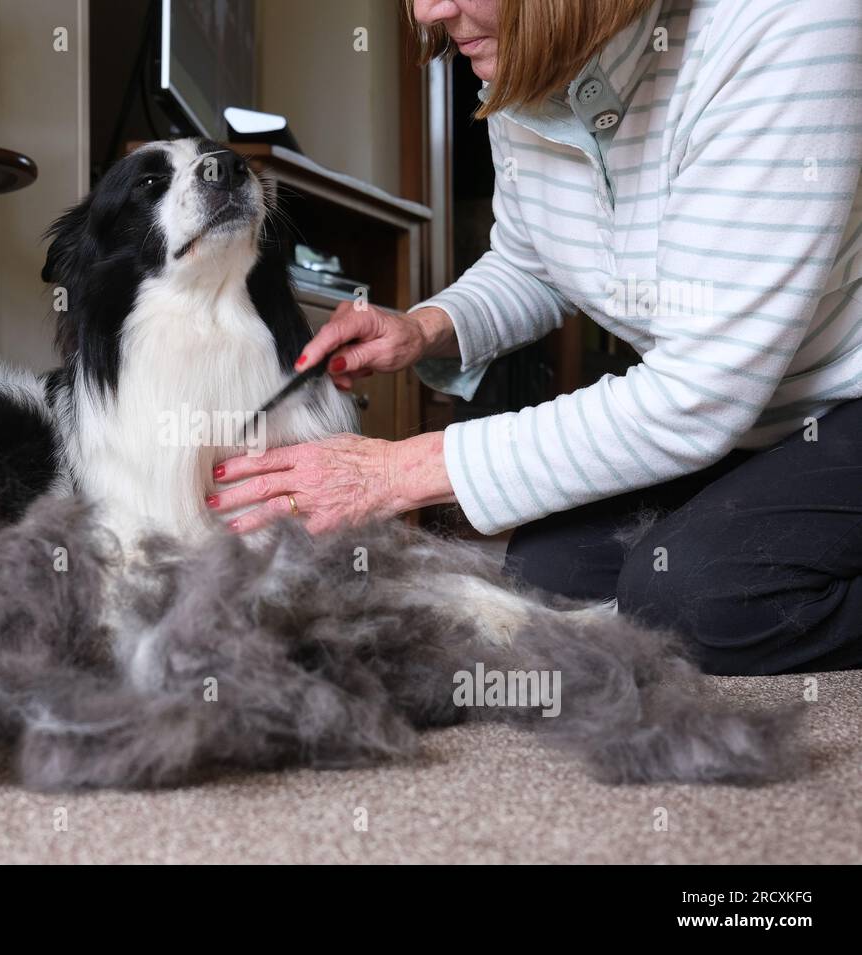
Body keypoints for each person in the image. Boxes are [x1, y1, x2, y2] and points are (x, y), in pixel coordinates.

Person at [207, 0, 862, 676]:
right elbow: (535, 261)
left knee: (696, 601)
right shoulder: (525, 68)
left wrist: (391, 473)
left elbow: (700, 390)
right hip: (749, 416)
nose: (429, 9)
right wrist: (423, 328)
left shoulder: (791, 24)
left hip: (843, 400)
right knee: (551, 575)